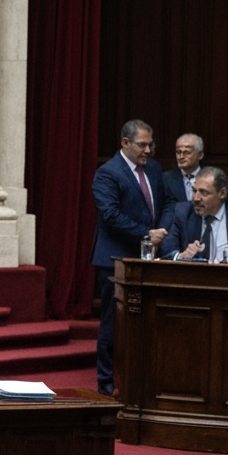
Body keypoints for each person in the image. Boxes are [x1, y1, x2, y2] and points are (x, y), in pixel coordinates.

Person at [91, 119, 172, 395]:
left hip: (149, 259)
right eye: (142, 144)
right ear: (125, 144)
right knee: (113, 325)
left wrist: (161, 231)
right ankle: (106, 384)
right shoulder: (107, 173)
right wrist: (148, 234)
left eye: (151, 144)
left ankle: (140, 381)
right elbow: (111, 216)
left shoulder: (154, 169)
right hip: (115, 260)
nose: (148, 150)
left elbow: (169, 202)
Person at [161, 166, 228, 263]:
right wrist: (181, 256)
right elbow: (167, 249)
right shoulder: (183, 212)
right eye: (194, 191)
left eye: (204, 193)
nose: (196, 198)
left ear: (222, 193)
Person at [162, 134, 204, 204]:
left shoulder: (212, 177)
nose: (181, 156)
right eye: (178, 152)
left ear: (200, 155)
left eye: (187, 152)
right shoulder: (166, 178)